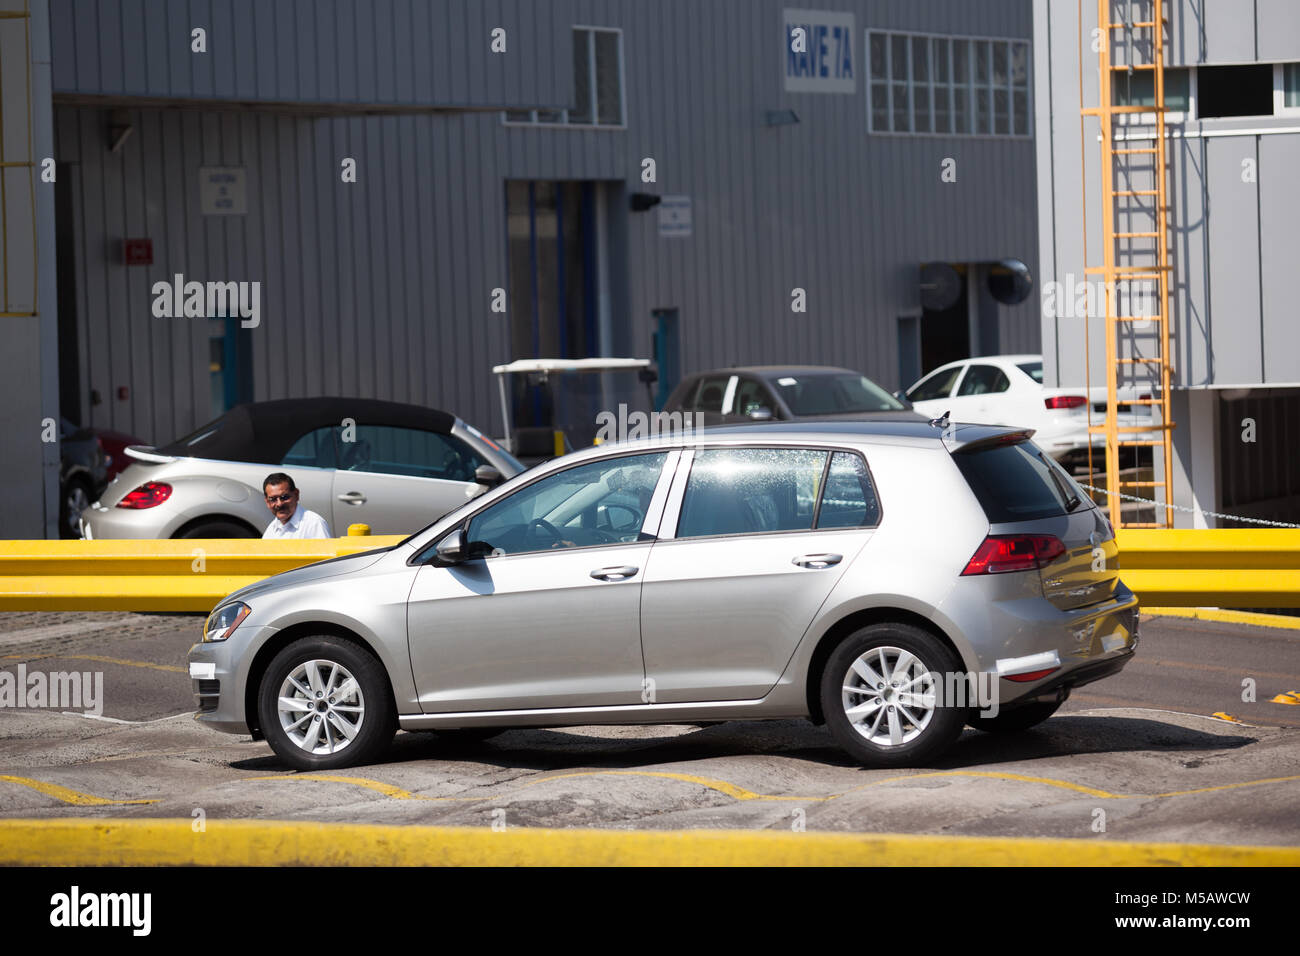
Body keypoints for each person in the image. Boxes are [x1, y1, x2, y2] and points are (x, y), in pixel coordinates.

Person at [261, 472, 332, 539]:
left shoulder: (314, 524)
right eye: (273, 499)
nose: (279, 503)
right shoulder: (271, 530)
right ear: (267, 502)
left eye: (284, 497)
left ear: (296, 495)